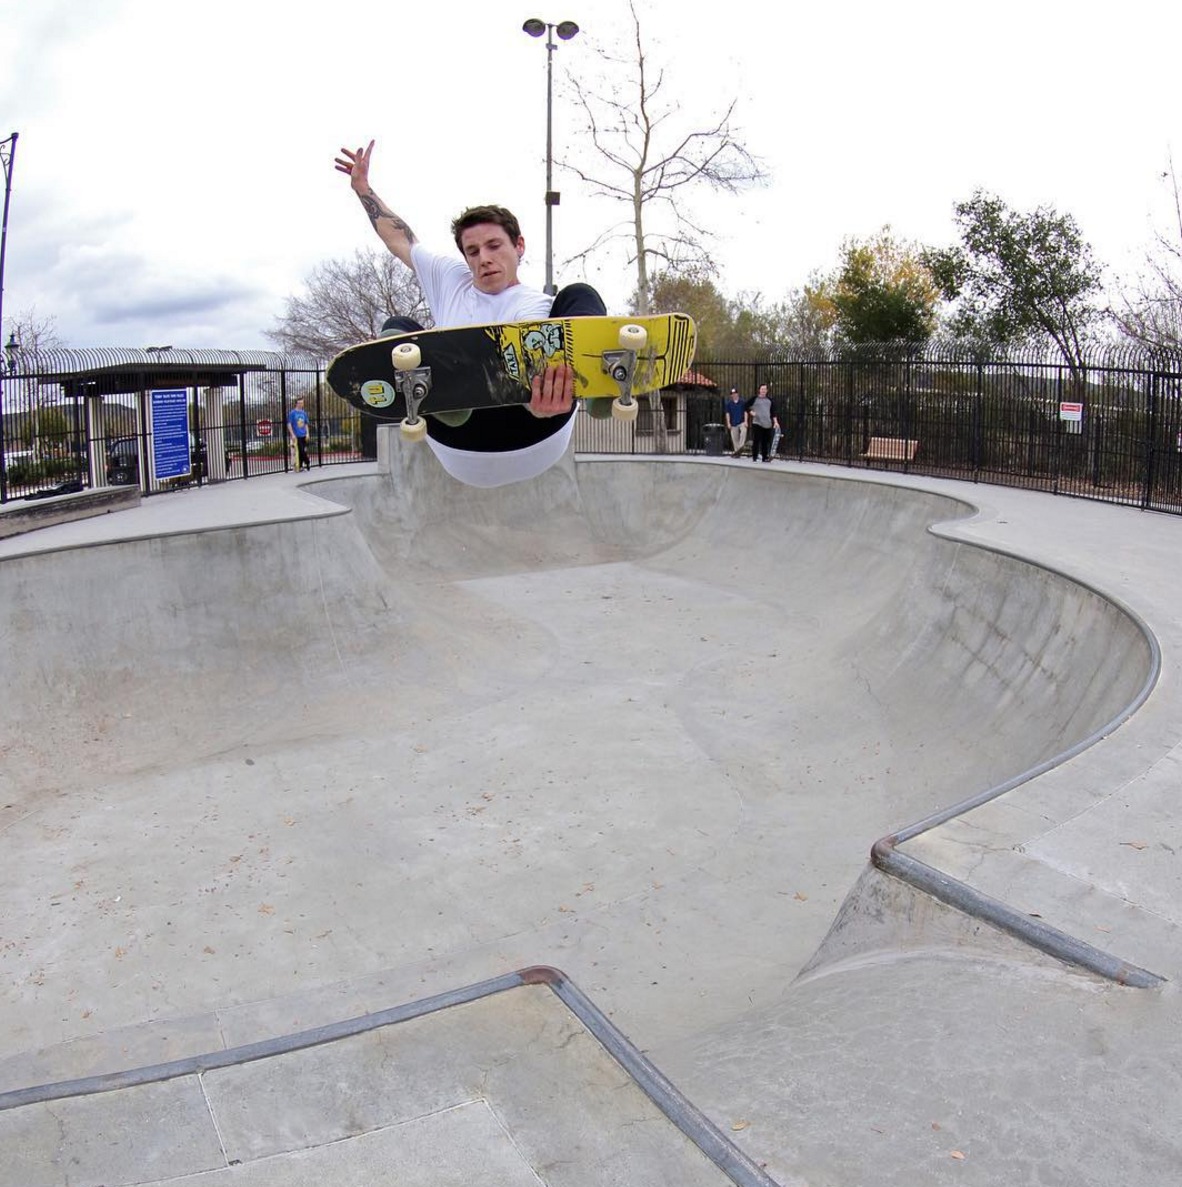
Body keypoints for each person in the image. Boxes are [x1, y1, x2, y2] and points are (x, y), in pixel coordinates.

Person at [334, 139, 607, 488]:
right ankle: (444, 397)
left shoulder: (540, 309)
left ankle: (602, 386)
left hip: (536, 428)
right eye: (473, 251)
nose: (484, 259)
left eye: (494, 246)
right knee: (399, 331)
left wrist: (544, 401)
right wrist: (363, 189)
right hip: (459, 438)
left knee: (578, 294)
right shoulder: (450, 279)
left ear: (518, 246)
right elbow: (399, 238)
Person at [747, 383, 779, 463]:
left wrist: (775, 422)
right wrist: (751, 412)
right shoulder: (755, 399)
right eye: (762, 389)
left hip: (767, 423)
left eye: (765, 389)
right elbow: (745, 405)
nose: (763, 391)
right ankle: (754, 456)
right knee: (756, 440)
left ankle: (765, 457)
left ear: (767, 390)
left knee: (766, 441)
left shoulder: (770, 400)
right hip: (757, 422)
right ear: (759, 390)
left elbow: (773, 412)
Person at [287, 396, 311, 472]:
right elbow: (289, 424)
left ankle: (300, 466)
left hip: (303, 434)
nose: (301, 404)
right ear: (296, 404)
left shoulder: (304, 413)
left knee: (302, 451)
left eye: (302, 403)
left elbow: (306, 424)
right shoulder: (292, 413)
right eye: (299, 403)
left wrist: (307, 433)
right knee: (300, 450)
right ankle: (307, 461)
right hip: (296, 435)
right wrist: (292, 434)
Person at [724, 387, 748, 458]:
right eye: (732, 394)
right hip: (733, 423)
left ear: (738, 394)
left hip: (741, 422)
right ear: (731, 395)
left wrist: (746, 421)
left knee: (744, 431)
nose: (734, 395)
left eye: (735, 394)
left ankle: (741, 446)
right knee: (734, 438)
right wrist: (728, 423)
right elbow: (727, 414)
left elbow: (746, 412)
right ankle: (737, 451)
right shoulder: (729, 404)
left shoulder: (742, 402)